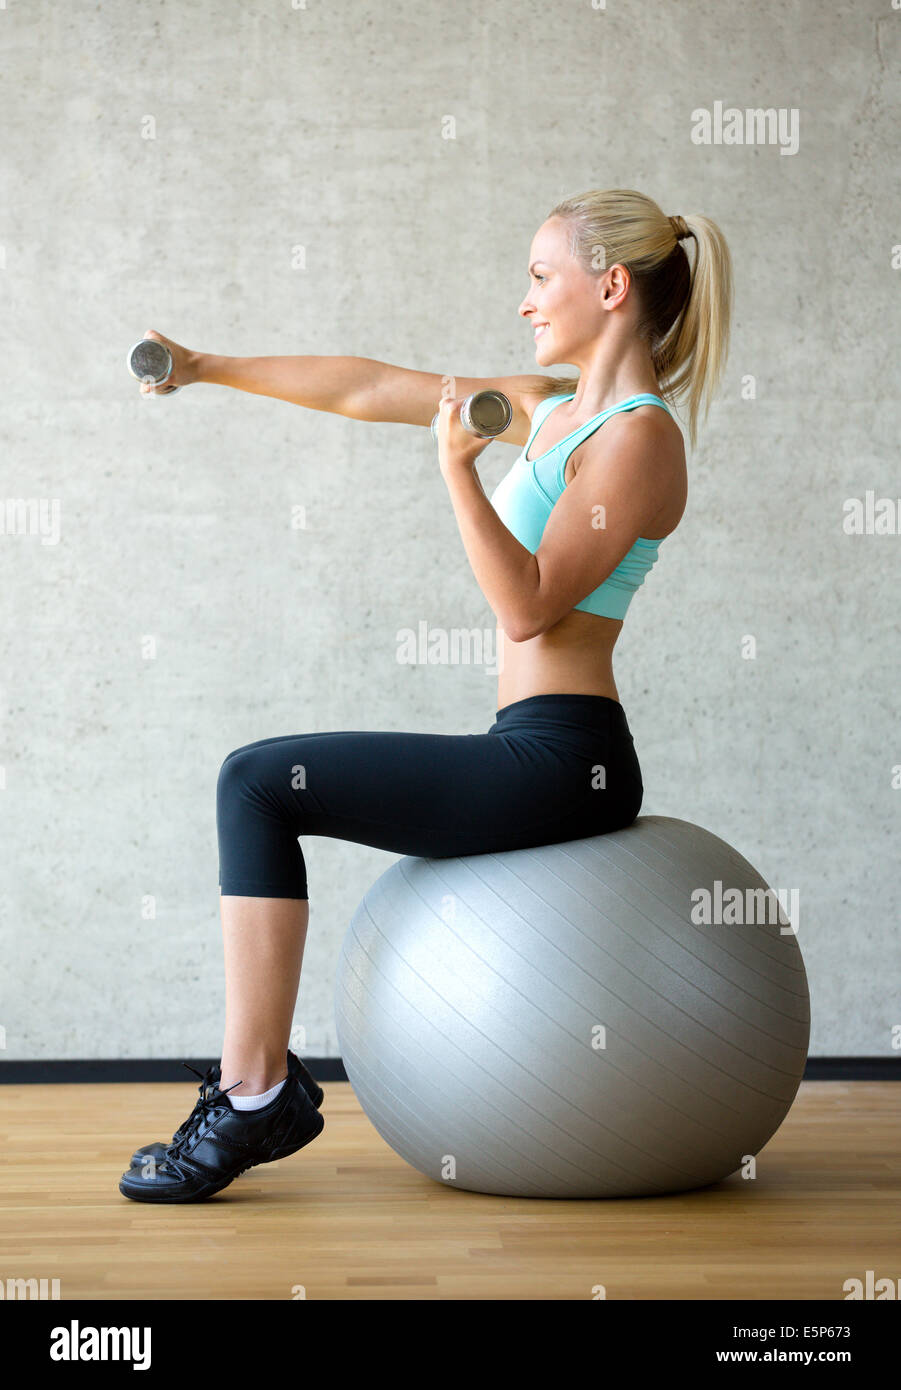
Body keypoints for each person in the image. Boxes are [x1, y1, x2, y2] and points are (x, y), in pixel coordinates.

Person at [119, 187, 733, 1203]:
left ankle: (253, 1092)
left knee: (257, 783)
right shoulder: (546, 407)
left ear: (611, 285)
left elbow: (530, 607)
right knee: (260, 783)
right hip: (528, 741)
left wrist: (454, 476)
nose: (527, 302)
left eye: (542, 277)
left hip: (564, 760)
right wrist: (210, 367)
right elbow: (370, 387)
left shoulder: (636, 439)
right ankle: (254, 1090)